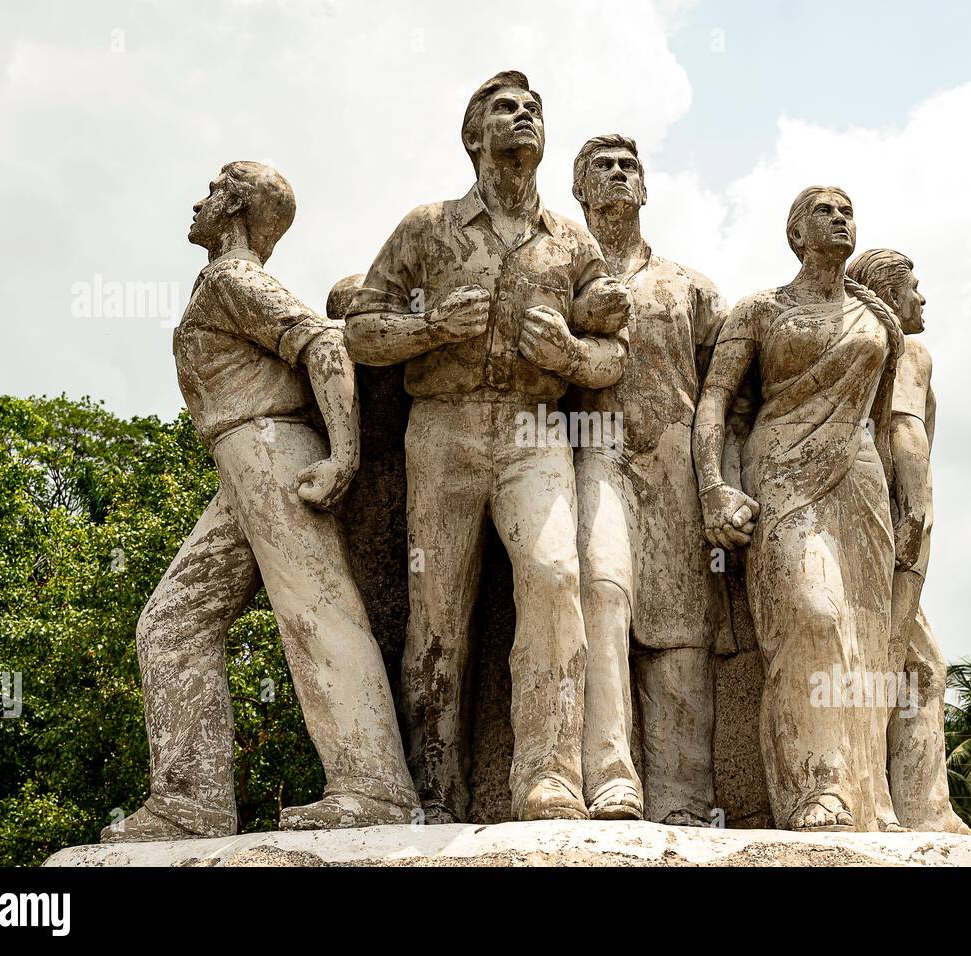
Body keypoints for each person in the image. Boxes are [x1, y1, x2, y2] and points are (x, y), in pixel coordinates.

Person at [344, 72, 632, 823]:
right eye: (506, 108)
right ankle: (432, 790)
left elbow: (615, 358)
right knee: (436, 609)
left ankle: (549, 776)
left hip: (536, 428)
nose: (524, 115)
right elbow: (362, 331)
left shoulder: (570, 239)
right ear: (474, 136)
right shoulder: (426, 227)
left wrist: (569, 354)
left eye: (534, 108)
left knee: (554, 576)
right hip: (442, 428)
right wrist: (431, 328)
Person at [103, 162, 418, 842]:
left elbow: (326, 342)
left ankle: (375, 789)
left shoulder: (232, 279)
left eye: (214, 189)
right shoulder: (220, 280)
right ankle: (190, 806)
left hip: (274, 452)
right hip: (242, 462)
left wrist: (344, 454)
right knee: (172, 623)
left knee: (315, 609)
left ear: (238, 208)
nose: (198, 200)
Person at [692, 186, 906, 831]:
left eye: (848, 211)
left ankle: (868, 796)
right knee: (811, 618)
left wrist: (908, 499)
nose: (841, 219)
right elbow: (714, 401)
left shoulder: (878, 322)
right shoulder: (760, 310)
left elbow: (885, 419)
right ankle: (815, 788)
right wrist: (712, 487)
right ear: (796, 236)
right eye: (825, 211)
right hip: (782, 475)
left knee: (864, 640)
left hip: (860, 484)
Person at [570, 134, 735, 825]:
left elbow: (733, 382)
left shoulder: (688, 285)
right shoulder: (560, 273)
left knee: (681, 631)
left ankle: (686, 802)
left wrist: (723, 480)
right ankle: (610, 778)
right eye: (601, 167)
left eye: (628, 166)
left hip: (674, 461)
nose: (616, 174)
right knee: (602, 596)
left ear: (644, 187)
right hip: (592, 448)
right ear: (578, 189)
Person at [846, 248, 971, 834]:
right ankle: (878, 801)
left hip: (884, 512)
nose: (923, 299)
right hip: (896, 516)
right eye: (914, 288)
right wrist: (916, 510)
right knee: (893, 659)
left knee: (914, 663)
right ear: (890, 294)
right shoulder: (905, 350)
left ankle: (920, 803)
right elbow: (904, 430)